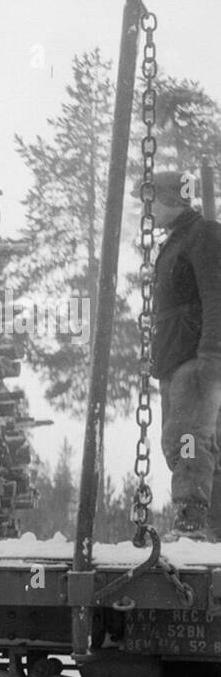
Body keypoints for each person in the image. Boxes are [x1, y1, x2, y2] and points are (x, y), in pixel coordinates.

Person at [144, 169, 221, 540]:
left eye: (152, 199)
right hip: (175, 359)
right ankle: (210, 527)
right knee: (180, 440)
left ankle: (193, 525)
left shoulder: (203, 235)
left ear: (172, 199)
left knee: (188, 439)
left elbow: (215, 296)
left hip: (195, 358)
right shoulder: (176, 240)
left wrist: (211, 356)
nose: (148, 208)